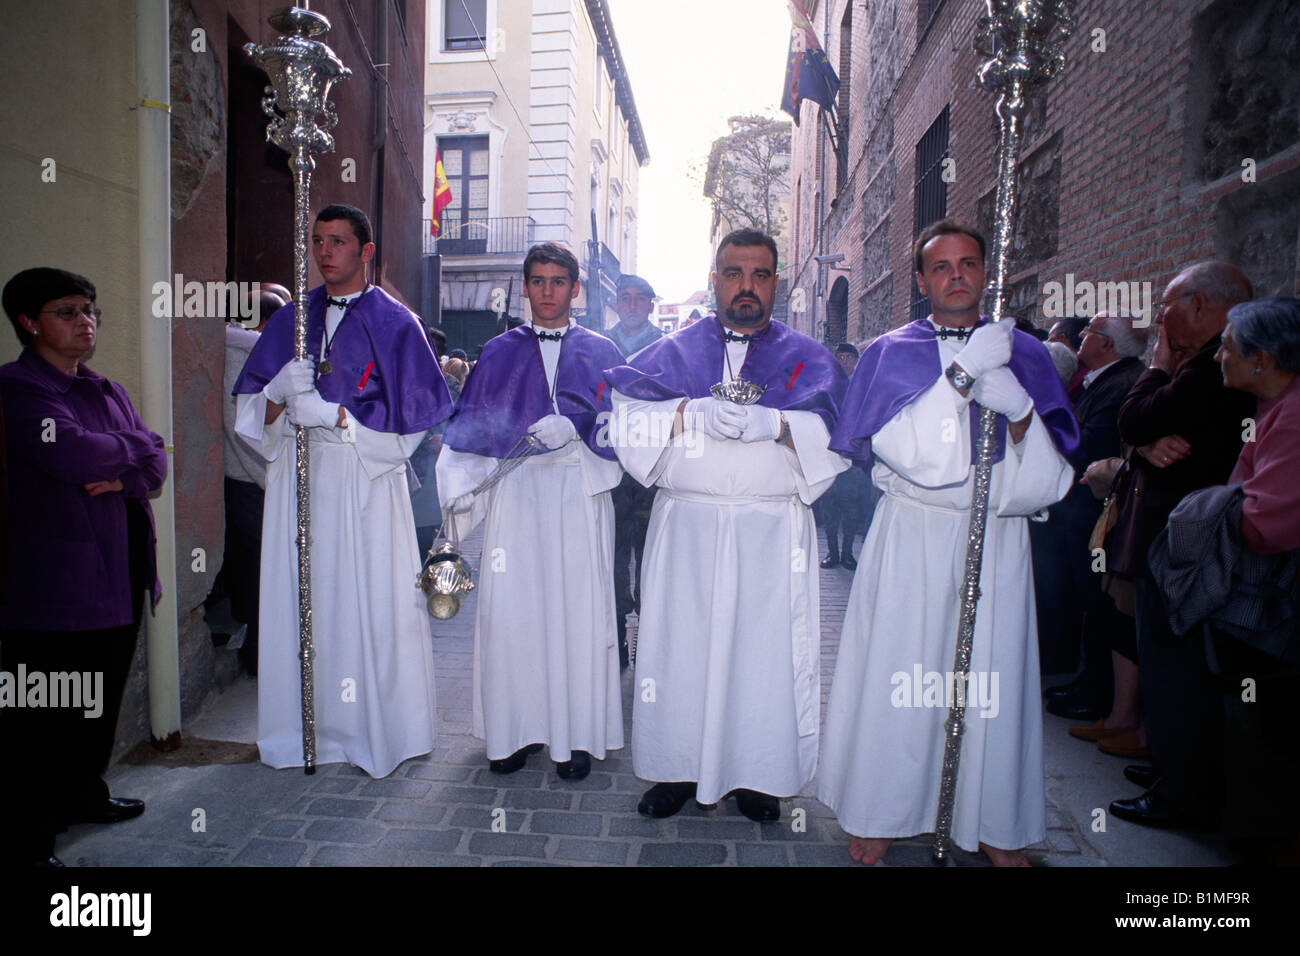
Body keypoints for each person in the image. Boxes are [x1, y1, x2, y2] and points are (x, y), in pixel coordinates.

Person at [819, 219, 1079, 866]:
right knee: (898, 677)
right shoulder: (888, 353)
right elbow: (906, 453)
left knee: (990, 681)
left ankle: (993, 820)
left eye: (968, 264)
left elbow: (1050, 480)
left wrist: (1018, 407)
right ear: (920, 280)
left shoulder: (1026, 355)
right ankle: (882, 810)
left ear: (984, 273)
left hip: (996, 533)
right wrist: (962, 376)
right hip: (912, 533)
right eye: (941, 266)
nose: (956, 275)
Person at [605, 228, 849, 823]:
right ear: (715, 280)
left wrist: (780, 426)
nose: (747, 287)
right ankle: (675, 769)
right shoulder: (673, 351)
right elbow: (626, 422)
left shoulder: (807, 358)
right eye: (734, 274)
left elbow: (840, 440)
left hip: (770, 534)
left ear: (775, 284)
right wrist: (690, 410)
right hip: (687, 527)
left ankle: (758, 774)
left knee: (761, 659)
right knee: (678, 652)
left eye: (760, 275)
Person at [232, 203, 452, 778]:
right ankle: (306, 728)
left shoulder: (398, 323)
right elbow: (253, 414)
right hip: (298, 482)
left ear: (366, 251)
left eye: (338, 241)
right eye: (317, 241)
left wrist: (337, 417)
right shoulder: (290, 320)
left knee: (370, 604)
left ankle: (373, 733)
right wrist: (278, 392)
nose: (325, 252)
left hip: (364, 482)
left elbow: (412, 428)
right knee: (303, 601)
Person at [436, 242, 625, 781]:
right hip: (515, 495)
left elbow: (627, 427)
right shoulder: (497, 352)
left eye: (558, 281)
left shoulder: (604, 351)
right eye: (538, 281)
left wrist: (581, 431)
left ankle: (577, 735)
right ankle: (512, 732)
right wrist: (457, 491)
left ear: (575, 289)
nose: (547, 292)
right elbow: (470, 432)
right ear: (525, 287)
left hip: (578, 492)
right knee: (512, 614)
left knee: (578, 611)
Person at [0, 267, 166, 866]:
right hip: (57, 582)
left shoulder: (105, 389)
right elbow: (68, 452)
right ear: (28, 322)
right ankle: (27, 838)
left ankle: (82, 796)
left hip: (119, 570)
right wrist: (136, 448)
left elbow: (156, 468)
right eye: (66, 311)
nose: (84, 320)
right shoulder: (20, 389)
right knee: (45, 717)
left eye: (89, 309)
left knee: (97, 702)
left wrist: (126, 466)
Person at [1100, 261, 1255, 828]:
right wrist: (1142, 444)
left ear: (1198, 306)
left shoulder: (1206, 369)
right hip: (1183, 541)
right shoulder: (1206, 367)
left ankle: (1181, 791)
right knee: (1171, 664)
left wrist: (1158, 368)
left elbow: (1134, 417)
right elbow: (1140, 432)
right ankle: (1173, 769)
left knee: (1176, 671)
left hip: (1186, 548)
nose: (1158, 317)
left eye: (1166, 303)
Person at [1038, 312, 1147, 697]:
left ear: (1108, 344)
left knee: (1097, 599)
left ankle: (1096, 690)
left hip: (1094, 508)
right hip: (1078, 508)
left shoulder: (1121, 383)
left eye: (1090, 332)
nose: (1081, 335)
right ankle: (1083, 680)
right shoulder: (1102, 380)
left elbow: (1090, 443)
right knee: (1081, 594)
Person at [213, 287, 284, 675]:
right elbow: (241, 428)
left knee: (254, 572)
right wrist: (272, 476)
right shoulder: (243, 354)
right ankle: (260, 655)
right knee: (263, 575)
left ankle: (258, 651)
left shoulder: (239, 350)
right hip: (252, 480)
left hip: (245, 479)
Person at [607, 273, 664, 667]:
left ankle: (649, 642)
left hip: (651, 473)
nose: (630, 305)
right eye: (623, 298)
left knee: (652, 560)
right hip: (609, 468)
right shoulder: (600, 345)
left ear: (649, 305)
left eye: (638, 299)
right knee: (610, 558)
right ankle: (615, 641)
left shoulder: (667, 347)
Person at [817, 343, 868, 570]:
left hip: (854, 455)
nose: (844, 361)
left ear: (856, 360)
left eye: (849, 357)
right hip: (829, 453)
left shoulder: (863, 385)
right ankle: (832, 553)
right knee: (830, 506)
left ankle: (848, 553)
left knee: (852, 507)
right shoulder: (828, 383)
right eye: (840, 357)